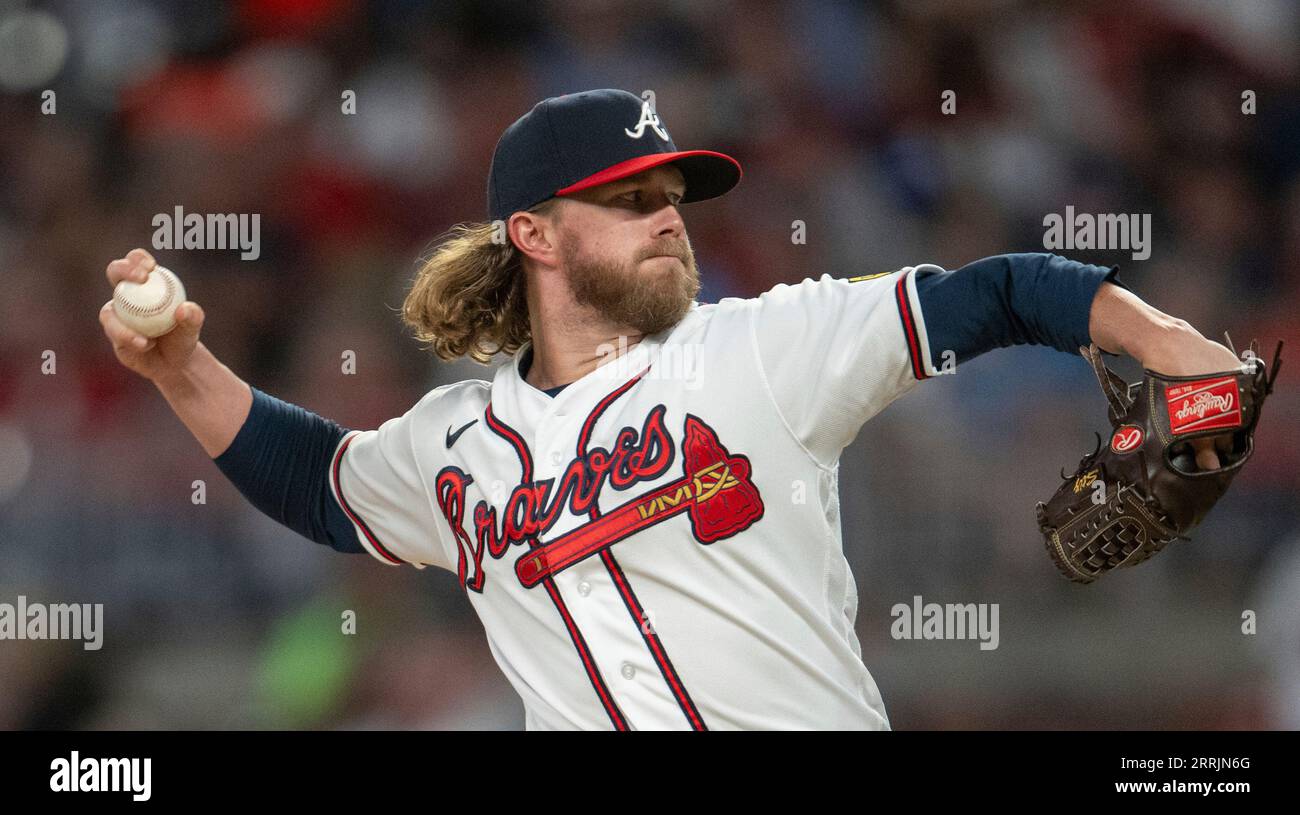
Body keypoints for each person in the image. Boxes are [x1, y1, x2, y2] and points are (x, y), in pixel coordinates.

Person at [99, 88, 1243, 730]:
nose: (668, 218)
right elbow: (321, 480)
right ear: (534, 236)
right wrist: (179, 369)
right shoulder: (455, 441)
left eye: (672, 198)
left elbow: (991, 293)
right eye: (630, 199)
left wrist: (1165, 342)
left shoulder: (763, 344)